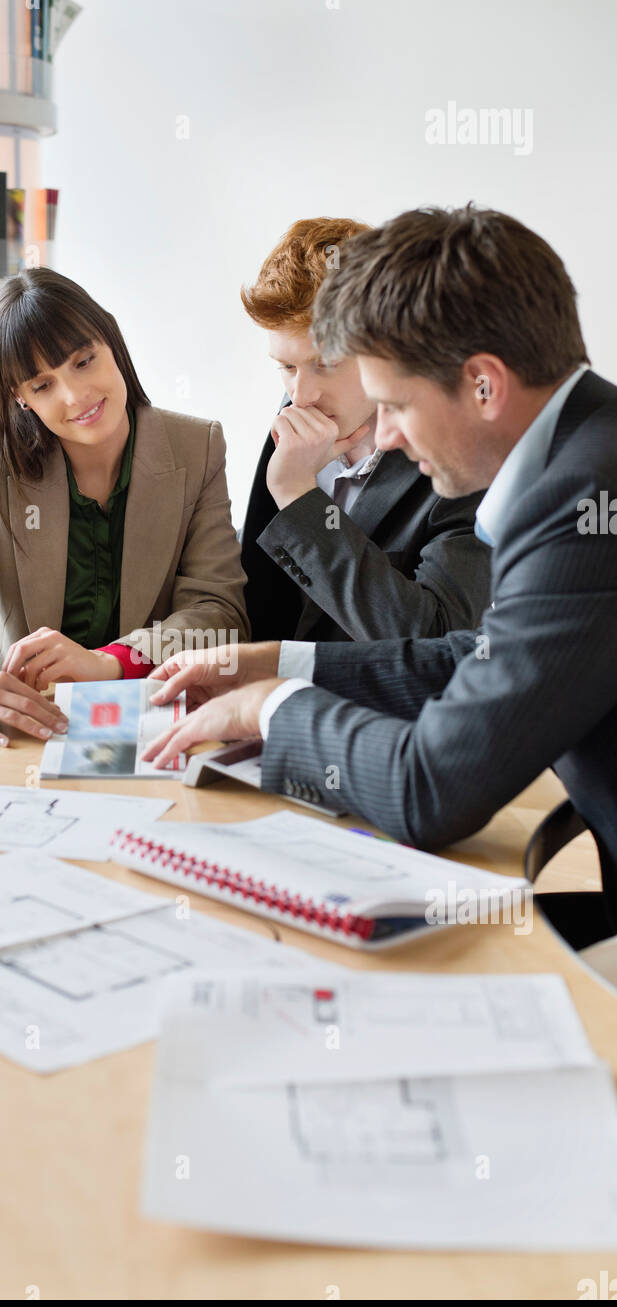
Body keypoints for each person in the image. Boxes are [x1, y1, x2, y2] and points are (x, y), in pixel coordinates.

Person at [144, 206, 617, 928]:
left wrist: (271, 707)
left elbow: (430, 789)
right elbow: (480, 655)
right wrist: (283, 665)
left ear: (483, 384)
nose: (384, 433)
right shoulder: (584, 453)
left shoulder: (582, 501)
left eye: (394, 404)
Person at [0, 268, 248, 747]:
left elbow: (219, 612)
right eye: (42, 385)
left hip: (144, 721)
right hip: (15, 729)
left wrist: (111, 662)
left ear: (111, 343)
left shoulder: (196, 447)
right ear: (19, 397)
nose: (75, 397)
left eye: (83, 361)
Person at [239, 217, 490, 643]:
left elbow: (435, 637)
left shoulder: (464, 456)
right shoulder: (299, 409)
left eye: (326, 363)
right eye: (286, 367)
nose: (301, 395)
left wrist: (299, 499)